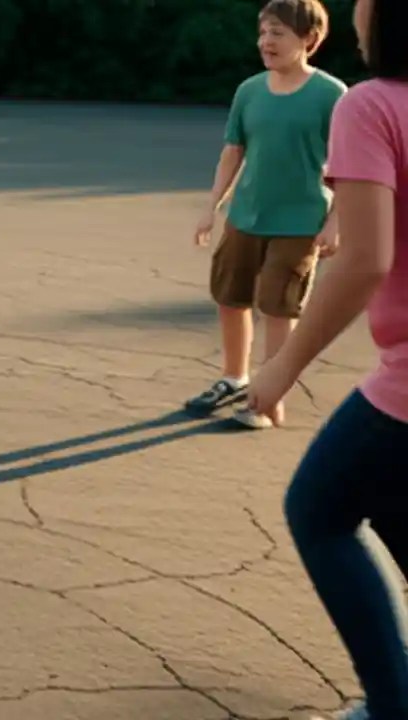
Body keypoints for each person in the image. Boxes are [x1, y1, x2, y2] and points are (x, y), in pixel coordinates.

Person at [246, 0, 408, 716]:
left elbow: (365, 258)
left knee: (319, 508)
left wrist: (283, 366)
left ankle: (391, 705)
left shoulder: (371, 107)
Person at [187, 0, 346, 428]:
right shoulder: (250, 90)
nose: (266, 42)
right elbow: (233, 152)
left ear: (309, 39)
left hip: (300, 223)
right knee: (230, 298)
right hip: (246, 216)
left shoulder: (332, 95)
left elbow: (350, 164)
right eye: (263, 32)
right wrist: (212, 207)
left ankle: (267, 398)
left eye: (277, 33)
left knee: (279, 308)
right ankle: (235, 378)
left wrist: (336, 222)